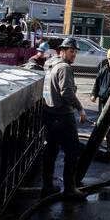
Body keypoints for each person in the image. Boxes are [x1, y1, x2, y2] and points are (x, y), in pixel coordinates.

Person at [41, 37, 86, 197]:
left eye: (75, 52)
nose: (74, 54)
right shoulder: (64, 68)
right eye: (71, 51)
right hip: (62, 116)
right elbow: (66, 92)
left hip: (49, 114)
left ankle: (47, 186)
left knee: (51, 150)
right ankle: (69, 189)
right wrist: (80, 108)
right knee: (72, 151)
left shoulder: (51, 64)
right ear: (62, 51)